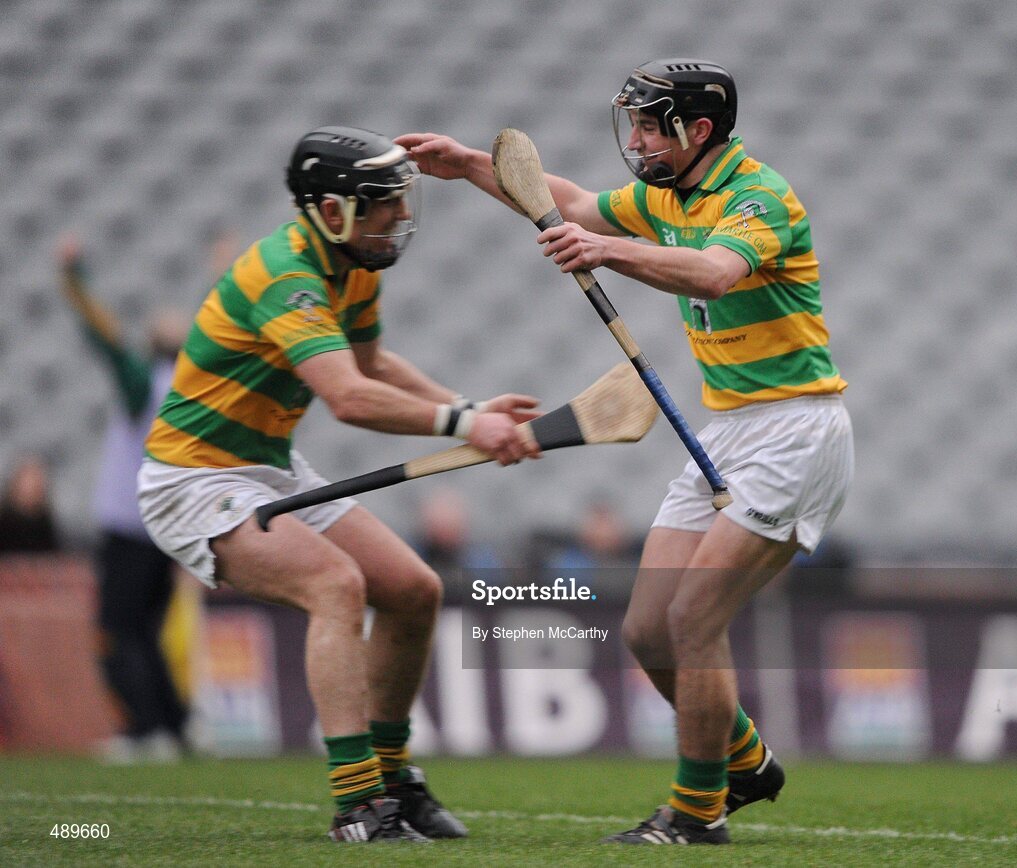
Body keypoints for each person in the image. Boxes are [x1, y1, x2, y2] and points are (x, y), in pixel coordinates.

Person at [398, 57, 854, 845]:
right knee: (648, 630)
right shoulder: (663, 196)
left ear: (698, 130)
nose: (635, 141)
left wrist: (607, 251)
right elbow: (568, 204)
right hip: (729, 429)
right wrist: (469, 164)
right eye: (634, 124)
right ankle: (746, 761)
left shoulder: (757, 197)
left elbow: (712, 274)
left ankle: (696, 813)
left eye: (649, 126)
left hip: (794, 431)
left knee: (692, 617)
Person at [137, 125, 542, 844]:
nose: (402, 214)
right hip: (193, 477)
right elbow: (349, 398)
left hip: (269, 466)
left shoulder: (354, 262)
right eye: (387, 202)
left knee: (414, 590)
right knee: (335, 586)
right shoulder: (285, 275)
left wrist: (471, 408)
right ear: (331, 210)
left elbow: (373, 364)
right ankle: (358, 803)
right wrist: (463, 424)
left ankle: (393, 777)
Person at [57, 241, 193, 762]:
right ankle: (175, 727)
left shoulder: (144, 382)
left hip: (129, 527)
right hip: (165, 528)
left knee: (117, 632)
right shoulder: (189, 386)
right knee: (148, 633)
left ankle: (144, 728)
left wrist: (74, 276)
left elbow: (107, 339)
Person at [0, 453, 59, 553]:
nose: (31, 487)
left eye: (36, 482)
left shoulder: (46, 525)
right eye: (27, 482)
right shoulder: (4, 524)